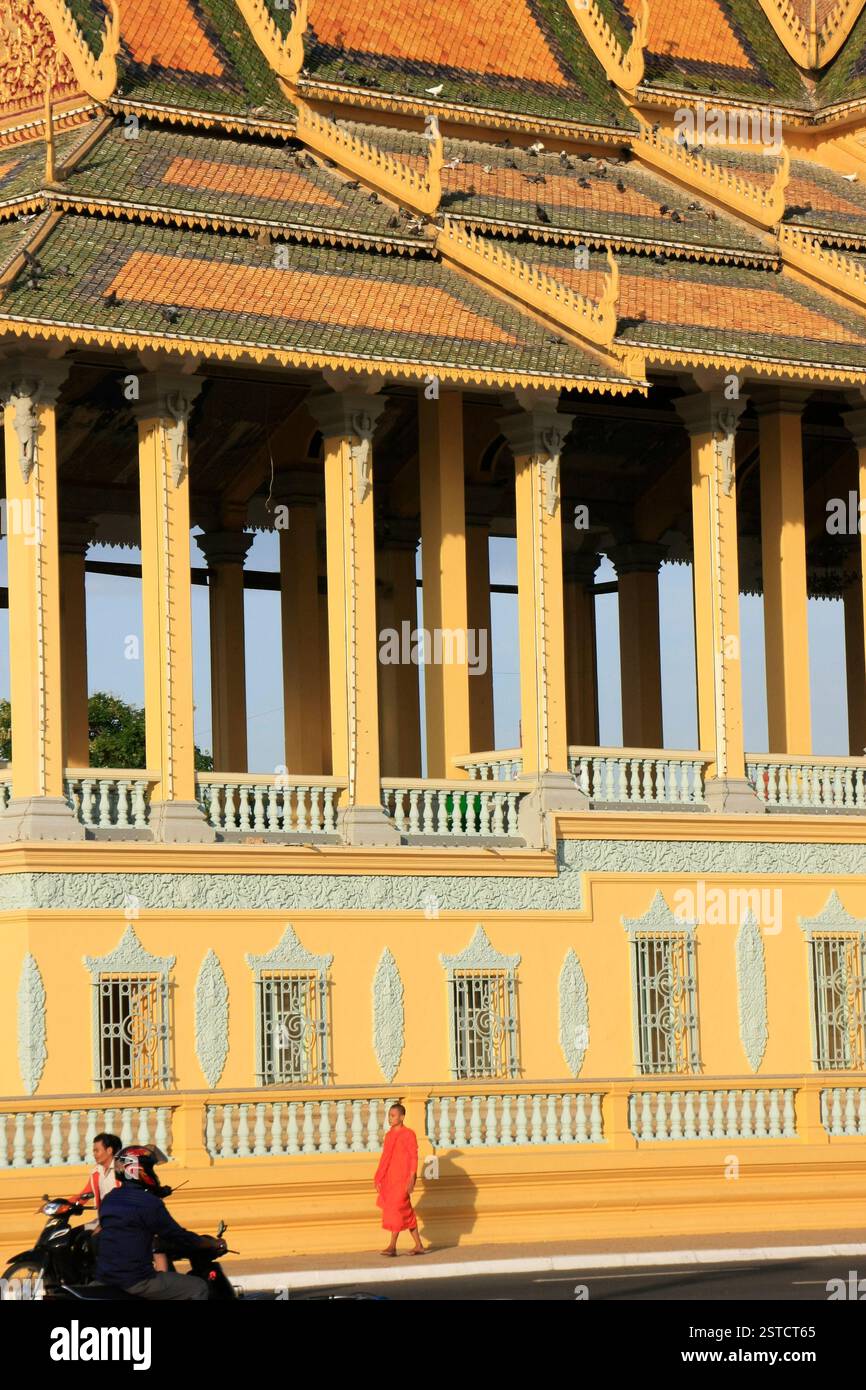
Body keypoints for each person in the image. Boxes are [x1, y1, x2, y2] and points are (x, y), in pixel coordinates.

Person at [95, 1144, 224, 1300]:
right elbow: (177, 1235)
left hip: (106, 1276)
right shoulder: (148, 1203)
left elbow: (129, 1227)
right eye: (151, 1168)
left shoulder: (110, 1199)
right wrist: (211, 1244)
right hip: (135, 1280)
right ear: (139, 1170)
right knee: (199, 1287)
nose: (153, 1173)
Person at [374, 1103, 425, 1256]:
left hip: (403, 1178)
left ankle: (392, 1246)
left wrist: (412, 1176)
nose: (390, 1118)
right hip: (390, 1178)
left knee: (395, 1210)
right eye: (389, 1115)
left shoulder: (409, 1134)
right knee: (406, 1213)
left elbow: (413, 1156)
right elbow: (385, 1157)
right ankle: (419, 1245)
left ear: (402, 1117)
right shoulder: (389, 1135)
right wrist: (379, 1176)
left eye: (393, 1115)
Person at [73, 1132, 121, 1229]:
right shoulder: (96, 1172)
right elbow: (84, 1195)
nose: (94, 1154)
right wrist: (58, 1204)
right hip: (104, 1220)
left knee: (93, 1239)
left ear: (109, 1150)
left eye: (97, 1151)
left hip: (120, 1220)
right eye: (94, 1151)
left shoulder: (122, 1170)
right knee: (75, 1234)